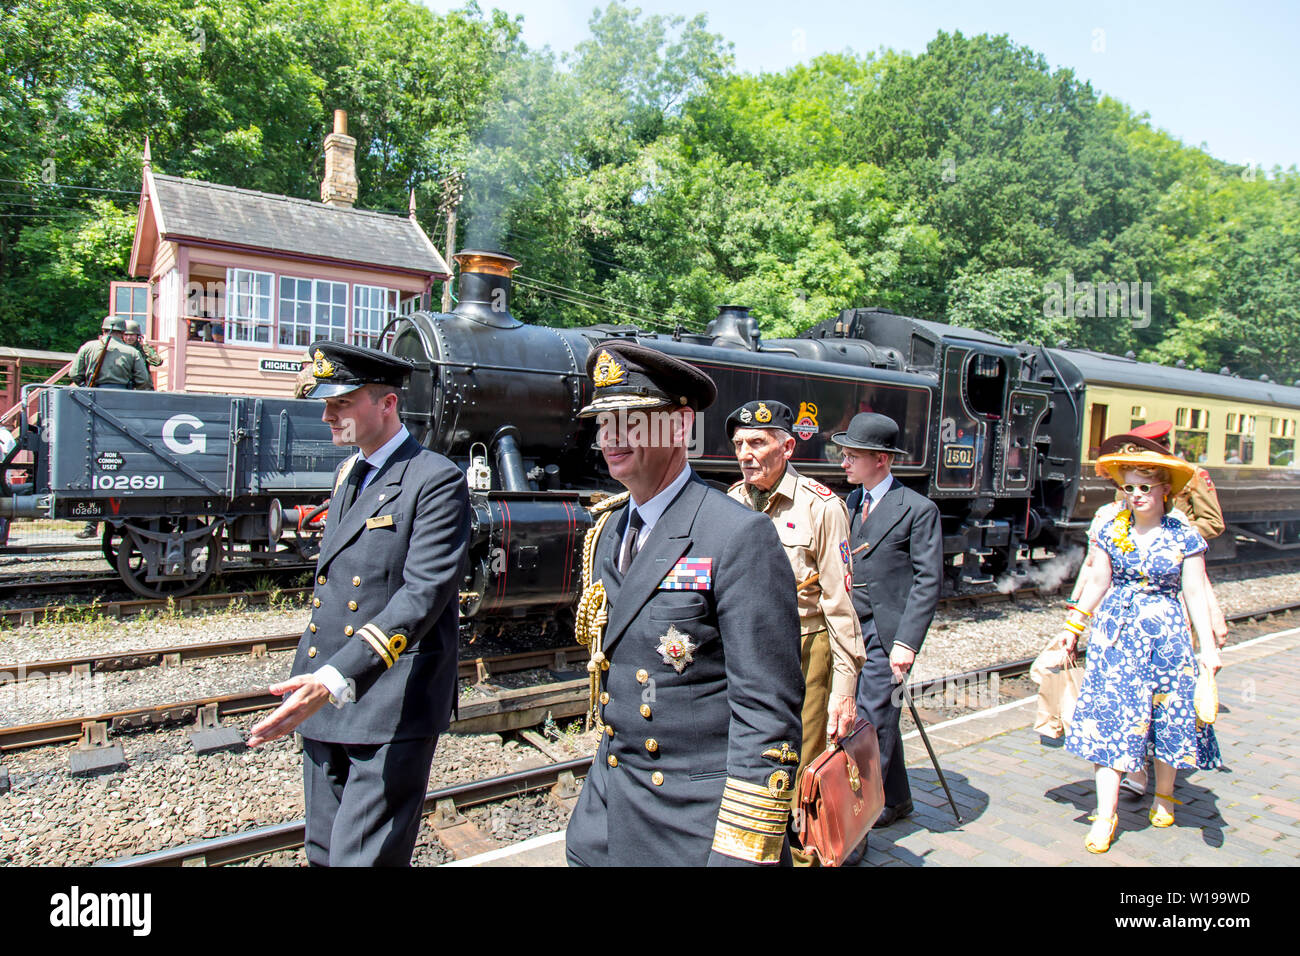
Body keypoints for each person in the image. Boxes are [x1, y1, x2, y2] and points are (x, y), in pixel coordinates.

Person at [566, 341, 804, 866]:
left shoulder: (738, 535)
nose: (610, 437)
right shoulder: (609, 531)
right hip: (609, 813)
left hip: (692, 825)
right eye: (603, 422)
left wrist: (743, 851)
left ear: (678, 427)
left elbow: (766, 715)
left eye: (630, 420)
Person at [247, 341, 471, 866]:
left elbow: (423, 595)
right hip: (328, 694)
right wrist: (319, 678)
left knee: (364, 859)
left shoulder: (433, 479)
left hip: (389, 700)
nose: (328, 415)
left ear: (387, 404)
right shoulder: (351, 472)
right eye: (327, 404)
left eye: (341, 403)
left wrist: (332, 678)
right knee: (324, 852)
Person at [1058, 443, 1222, 854]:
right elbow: (1097, 580)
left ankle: (1164, 795)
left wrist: (1207, 650)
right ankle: (1106, 815)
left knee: (1168, 713)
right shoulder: (1112, 528)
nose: (1136, 495)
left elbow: (1195, 591)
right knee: (1109, 716)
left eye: (1145, 487)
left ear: (1165, 490)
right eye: (1129, 488)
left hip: (1166, 635)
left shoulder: (1183, 534)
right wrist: (1074, 625)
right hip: (1116, 635)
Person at [725, 399, 864, 864]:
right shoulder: (731, 503)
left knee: (799, 771)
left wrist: (845, 691)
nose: (747, 453)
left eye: (758, 443)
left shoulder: (822, 508)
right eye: (740, 444)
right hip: (745, 651)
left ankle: (803, 856)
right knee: (748, 760)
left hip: (804, 649)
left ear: (787, 446)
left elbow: (840, 608)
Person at [835, 412, 943, 846]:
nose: (844, 462)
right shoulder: (850, 503)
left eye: (852, 456)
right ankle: (897, 799)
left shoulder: (919, 510)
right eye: (844, 454)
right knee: (879, 715)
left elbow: (928, 580)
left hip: (887, 633)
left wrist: (906, 643)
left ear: (880, 460)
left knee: (873, 717)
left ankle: (862, 810)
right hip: (851, 628)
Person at [70, 316, 153, 538]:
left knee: (94, 467)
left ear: (104, 329)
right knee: (121, 466)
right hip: (122, 408)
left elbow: (74, 375)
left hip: (91, 406)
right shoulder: (131, 353)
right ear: (121, 331)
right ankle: (118, 524)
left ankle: (91, 524)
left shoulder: (88, 347)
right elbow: (144, 383)